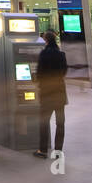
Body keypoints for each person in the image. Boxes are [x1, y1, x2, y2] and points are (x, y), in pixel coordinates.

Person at [34, 31, 67, 159]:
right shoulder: (61, 54)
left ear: (46, 41)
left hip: (47, 93)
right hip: (60, 93)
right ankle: (58, 151)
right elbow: (64, 72)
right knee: (60, 123)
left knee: (43, 122)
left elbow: (39, 73)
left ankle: (42, 150)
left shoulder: (43, 54)